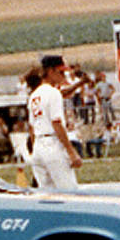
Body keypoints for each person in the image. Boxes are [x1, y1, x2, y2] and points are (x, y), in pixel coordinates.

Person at [26, 56, 83, 190]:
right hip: (52, 145)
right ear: (50, 71)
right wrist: (71, 151)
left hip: (38, 147)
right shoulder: (54, 93)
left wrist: (35, 150)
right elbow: (56, 123)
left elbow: (32, 127)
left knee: (48, 195)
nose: (63, 76)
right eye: (61, 72)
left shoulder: (34, 95)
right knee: (69, 191)